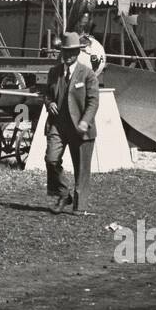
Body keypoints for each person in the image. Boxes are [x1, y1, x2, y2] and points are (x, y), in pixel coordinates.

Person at [44, 32, 100, 214]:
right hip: (58, 126)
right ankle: (62, 193)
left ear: (78, 52)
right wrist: (49, 103)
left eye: (72, 52)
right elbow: (46, 94)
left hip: (81, 128)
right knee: (51, 159)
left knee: (82, 168)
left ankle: (79, 206)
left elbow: (93, 101)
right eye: (65, 52)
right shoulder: (54, 73)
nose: (68, 56)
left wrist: (85, 121)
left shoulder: (88, 74)